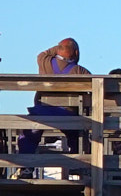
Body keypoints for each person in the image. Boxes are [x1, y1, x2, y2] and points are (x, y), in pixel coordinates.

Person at [22, 38, 89, 166]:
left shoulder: (44, 61)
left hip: (42, 112)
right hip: (68, 116)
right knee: (78, 135)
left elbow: (43, 53)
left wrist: (59, 48)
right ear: (76, 53)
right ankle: (78, 165)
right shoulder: (79, 71)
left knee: (30, 134)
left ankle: (25, 165)